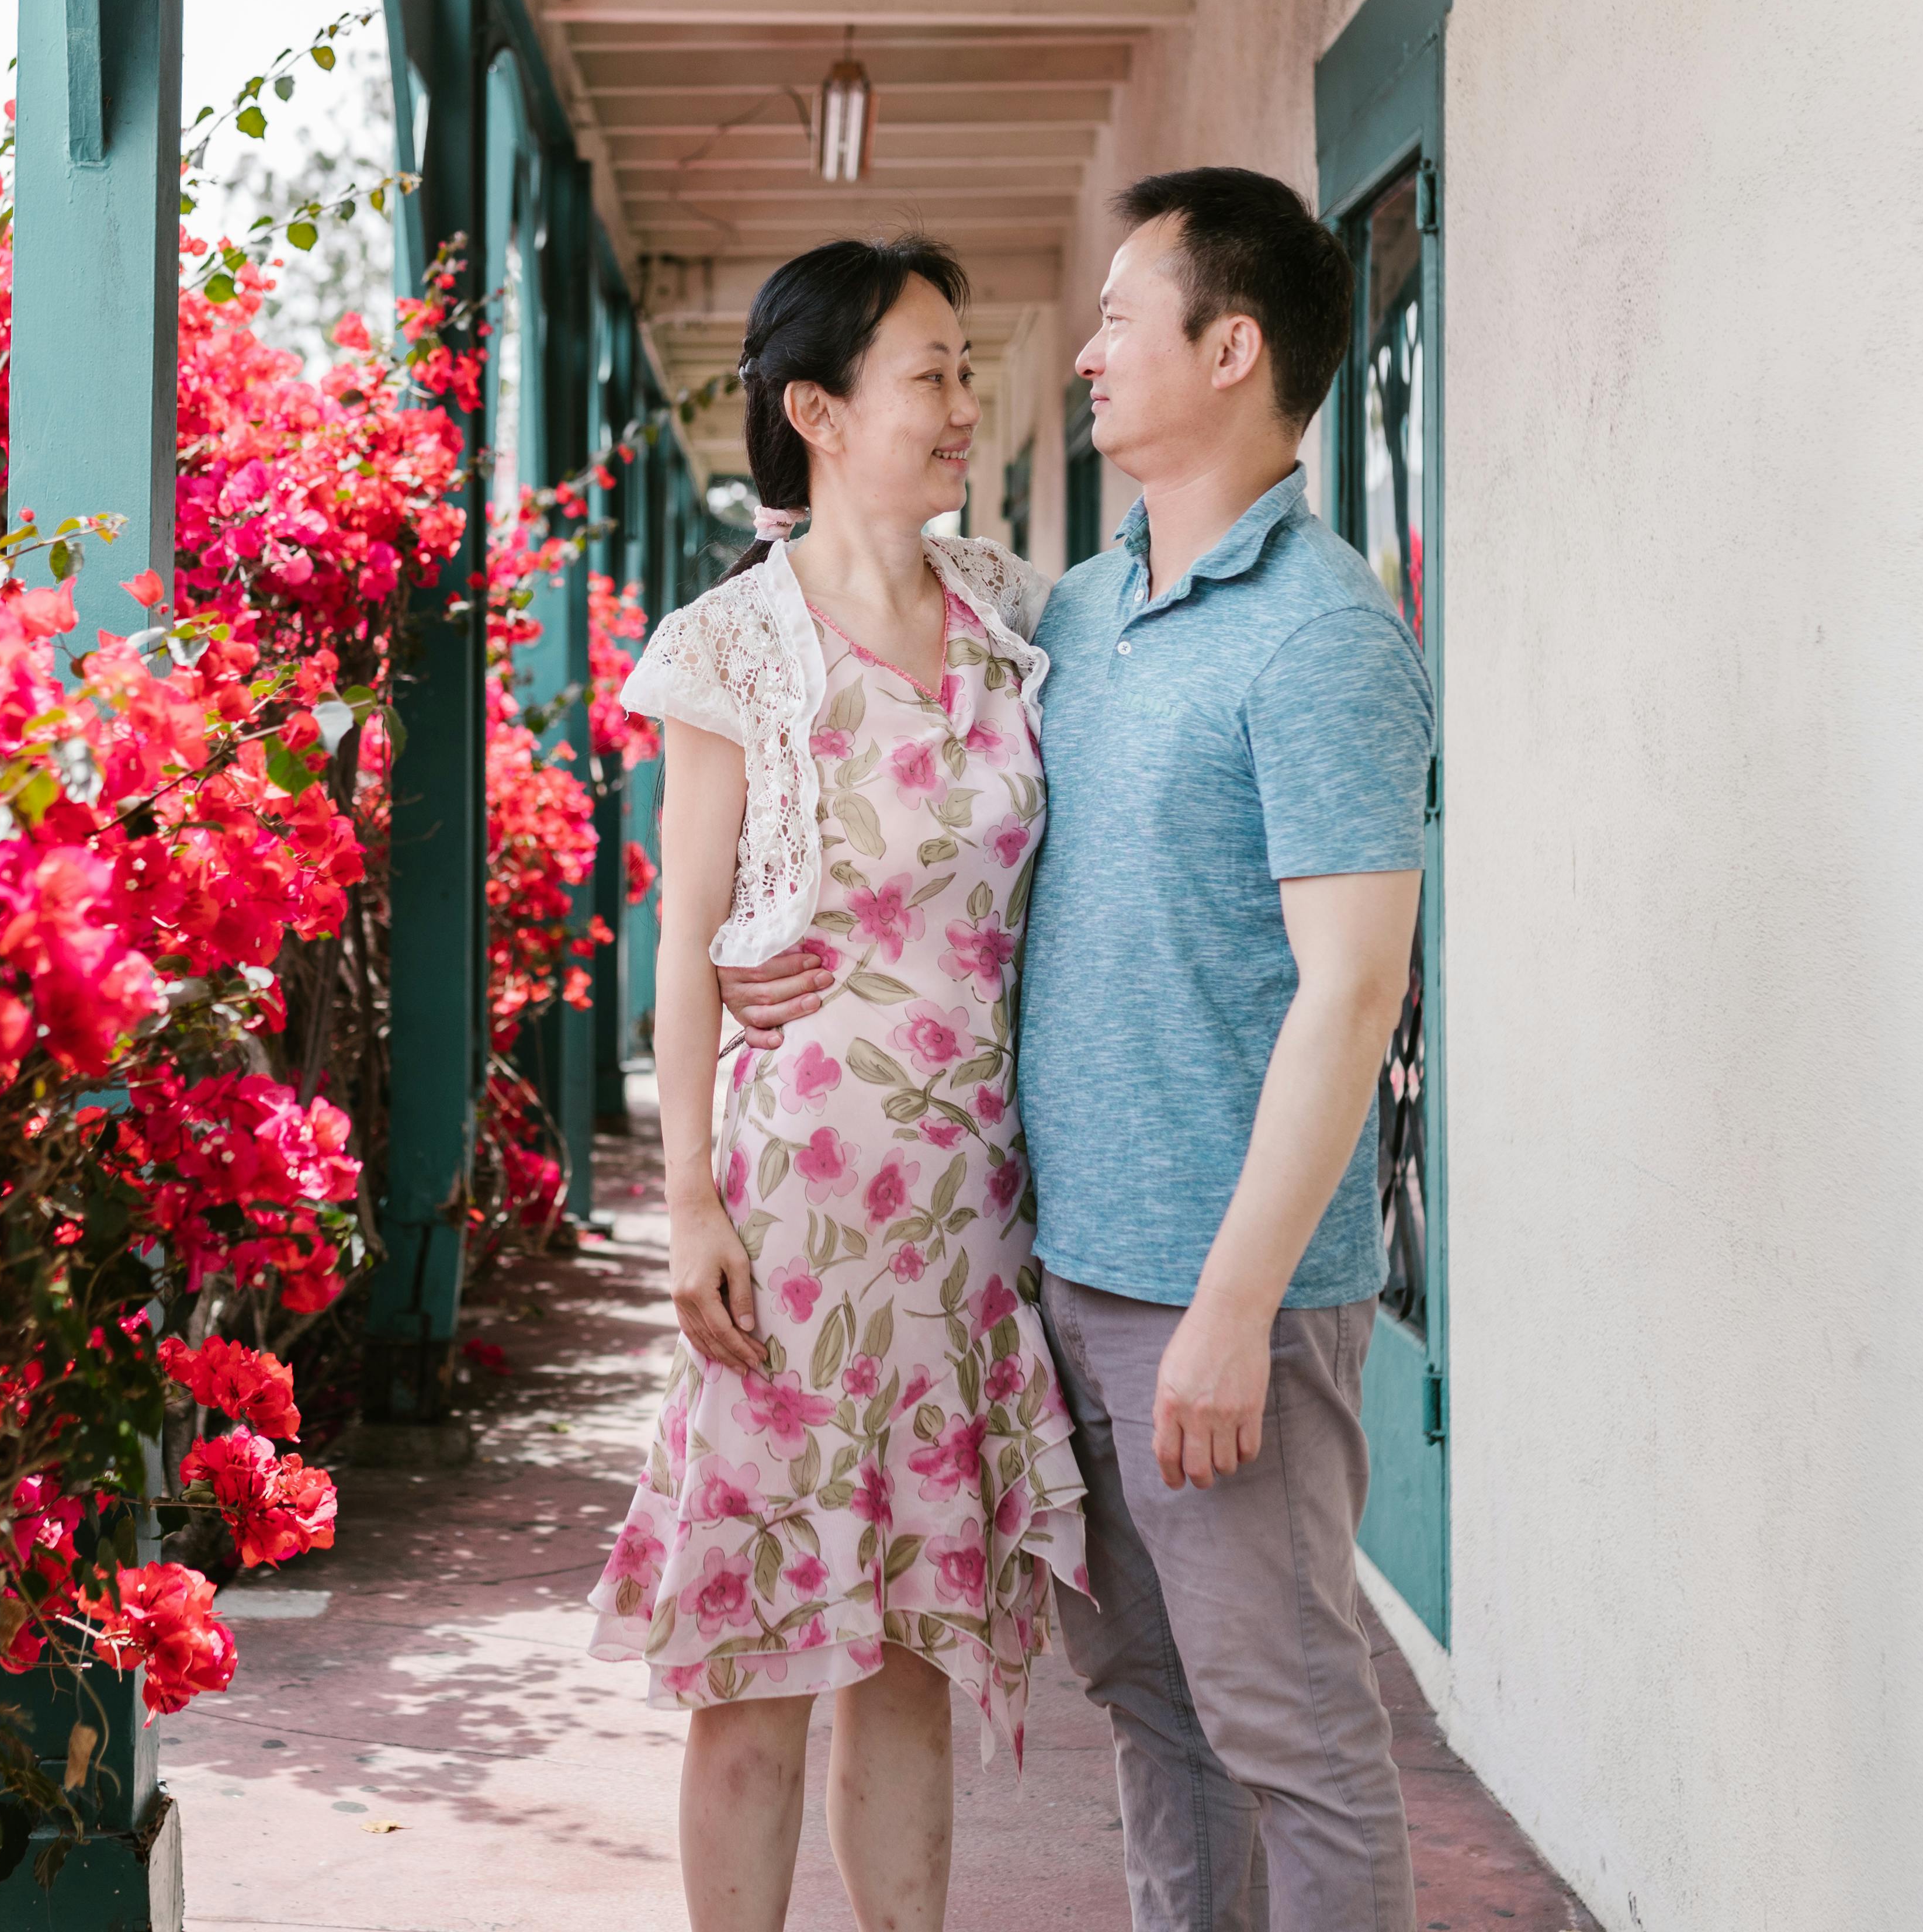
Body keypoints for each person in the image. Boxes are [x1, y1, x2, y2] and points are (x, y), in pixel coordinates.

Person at [723, 169, 1435, 1931]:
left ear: (1234, 348)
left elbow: (1355, 993)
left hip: (1223, 1294)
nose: (1088, 355)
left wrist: (1235, 1307)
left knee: (1290, 1731)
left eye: (1123, 317)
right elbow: (916, 787)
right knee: (1157, 1715)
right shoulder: (1077, 616)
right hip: (1065, 1275)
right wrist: (768, 940)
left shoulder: (1326, 636)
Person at [587, 235, 1088, 1932]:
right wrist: (688, 1212)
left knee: (910, 1655)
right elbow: (687, 941)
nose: (965, 403)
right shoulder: (736, 645)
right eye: (930, 373)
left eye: (965, 368)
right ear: (817, 409)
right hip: (795, 1229)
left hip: (968, 1233)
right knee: (760, 1659)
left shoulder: (1015, 617)